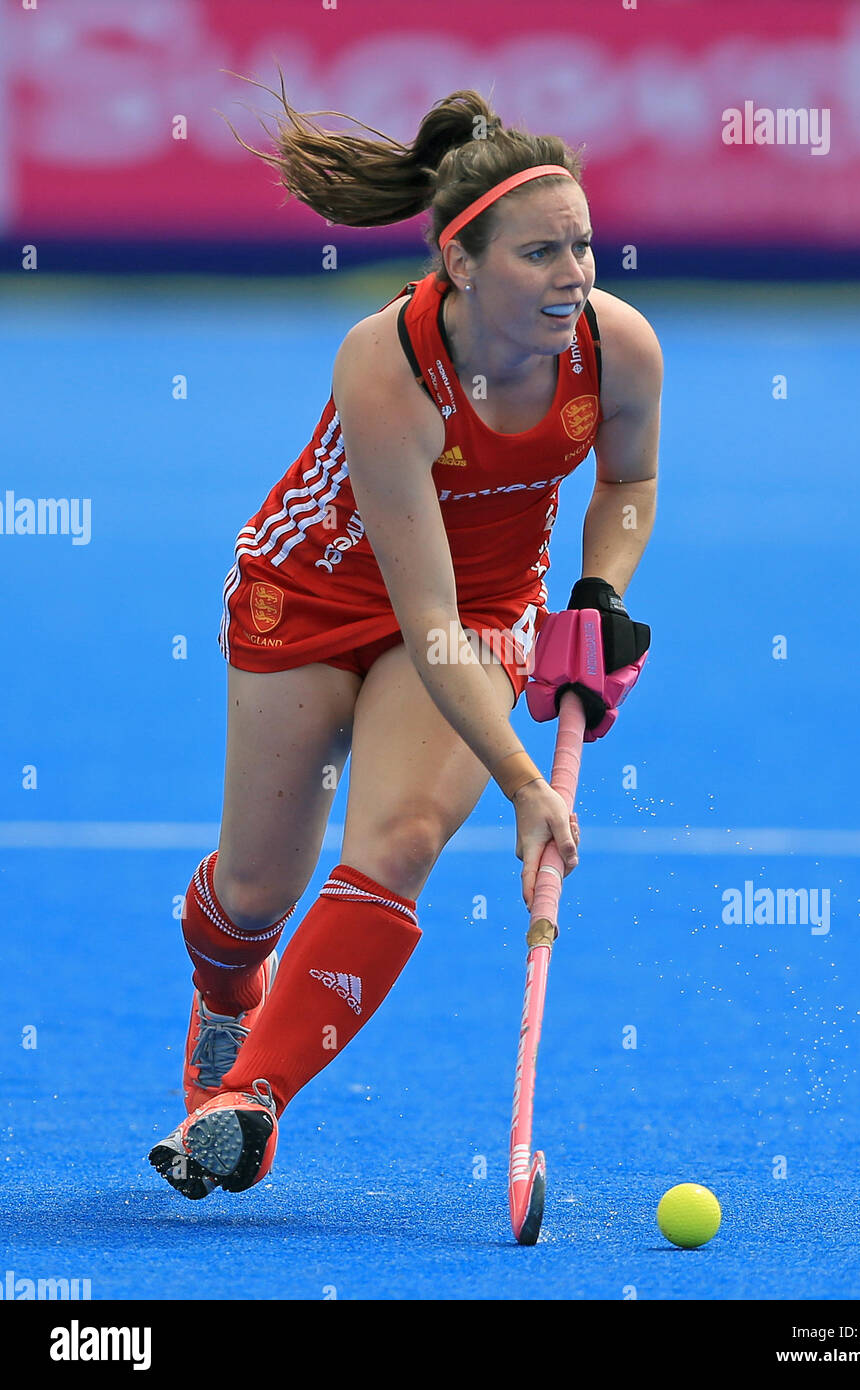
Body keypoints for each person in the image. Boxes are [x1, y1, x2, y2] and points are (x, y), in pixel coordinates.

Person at [148, 87, 661, 1200]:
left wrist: (596, 588)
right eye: (540, 251)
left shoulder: (615, 348)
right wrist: (527, 782)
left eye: (582, 243)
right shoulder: (388, 365)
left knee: (402, 836)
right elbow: (415, 622)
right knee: (251, 894)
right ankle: (229, 996)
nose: (575, 271)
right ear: (459, 263)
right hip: (315, 594)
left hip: (478, 606)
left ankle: (251, 1099)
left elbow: (628, 481)